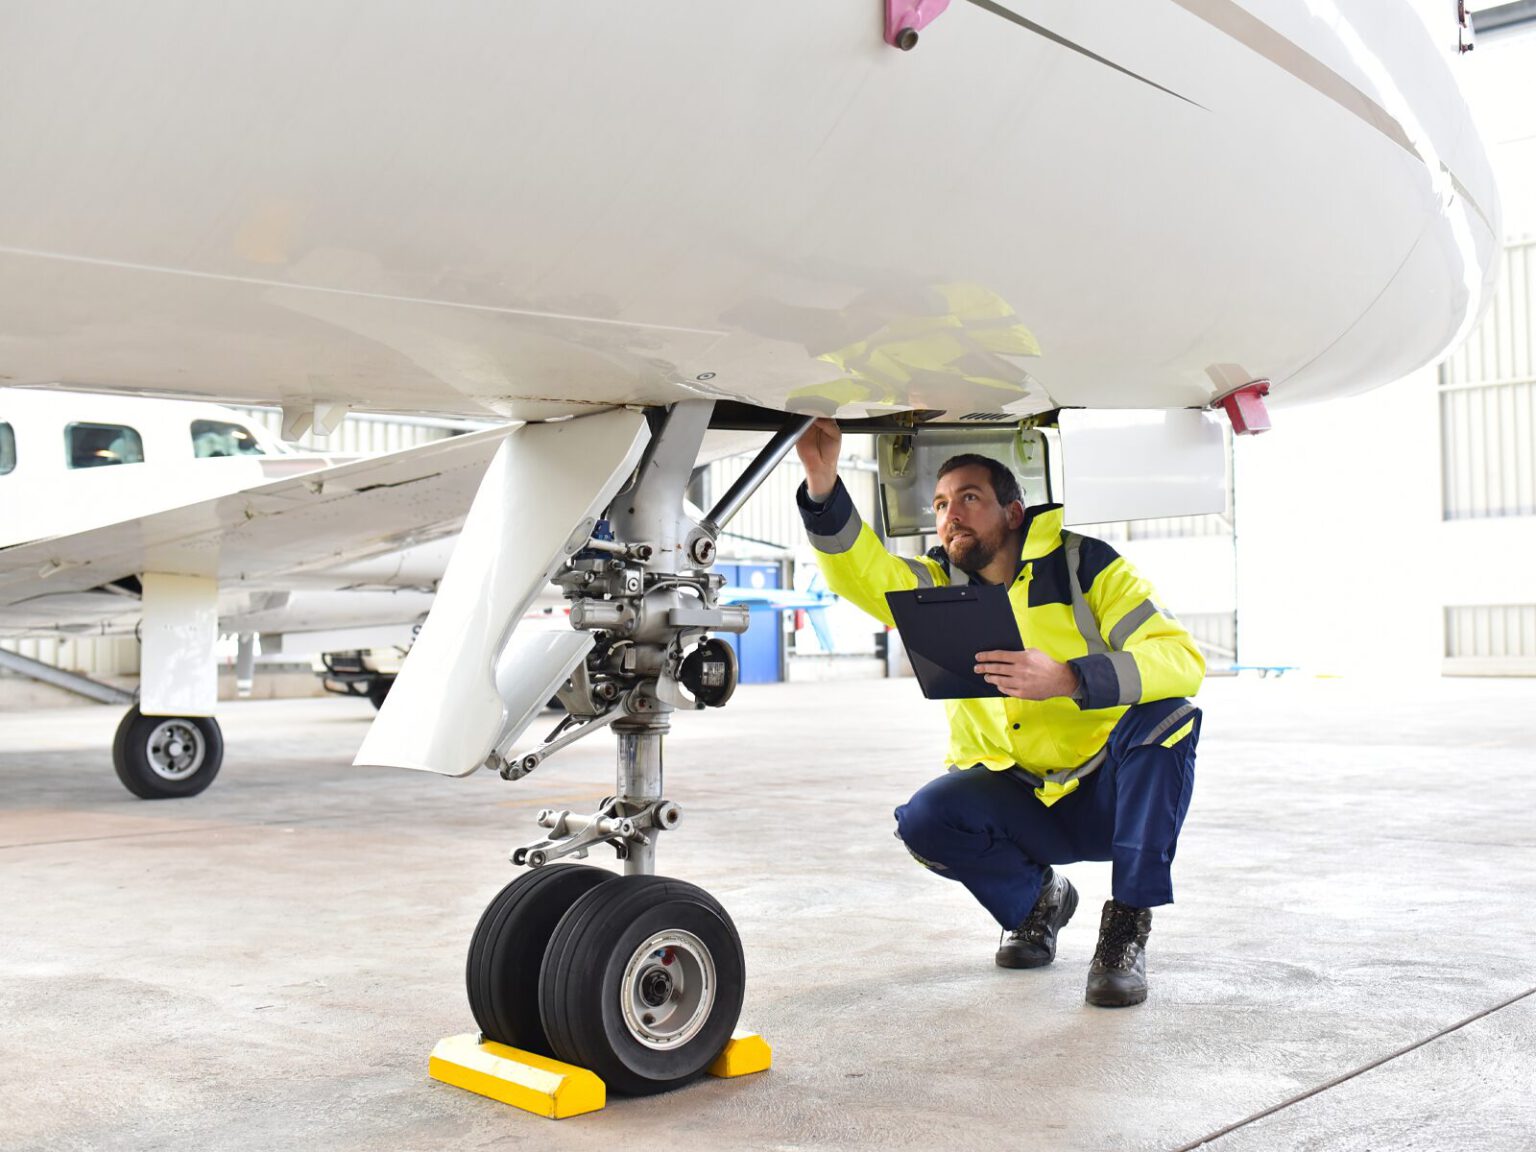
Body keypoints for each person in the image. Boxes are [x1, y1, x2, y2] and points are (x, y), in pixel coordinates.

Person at [794, 418, 1204, 1007]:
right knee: (926, 819)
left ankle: (1126, 927)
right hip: (1016, 799)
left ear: (1013, 513)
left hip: (1107, 793)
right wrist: (822, 483)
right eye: (939, 503)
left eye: (969, 498)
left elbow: (1181, 659)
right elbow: (861, 572)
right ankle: (1038, 903)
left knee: (1169, 716)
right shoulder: (935, 583)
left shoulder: (1085, 566)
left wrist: (1070, 678)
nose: (950, 514)